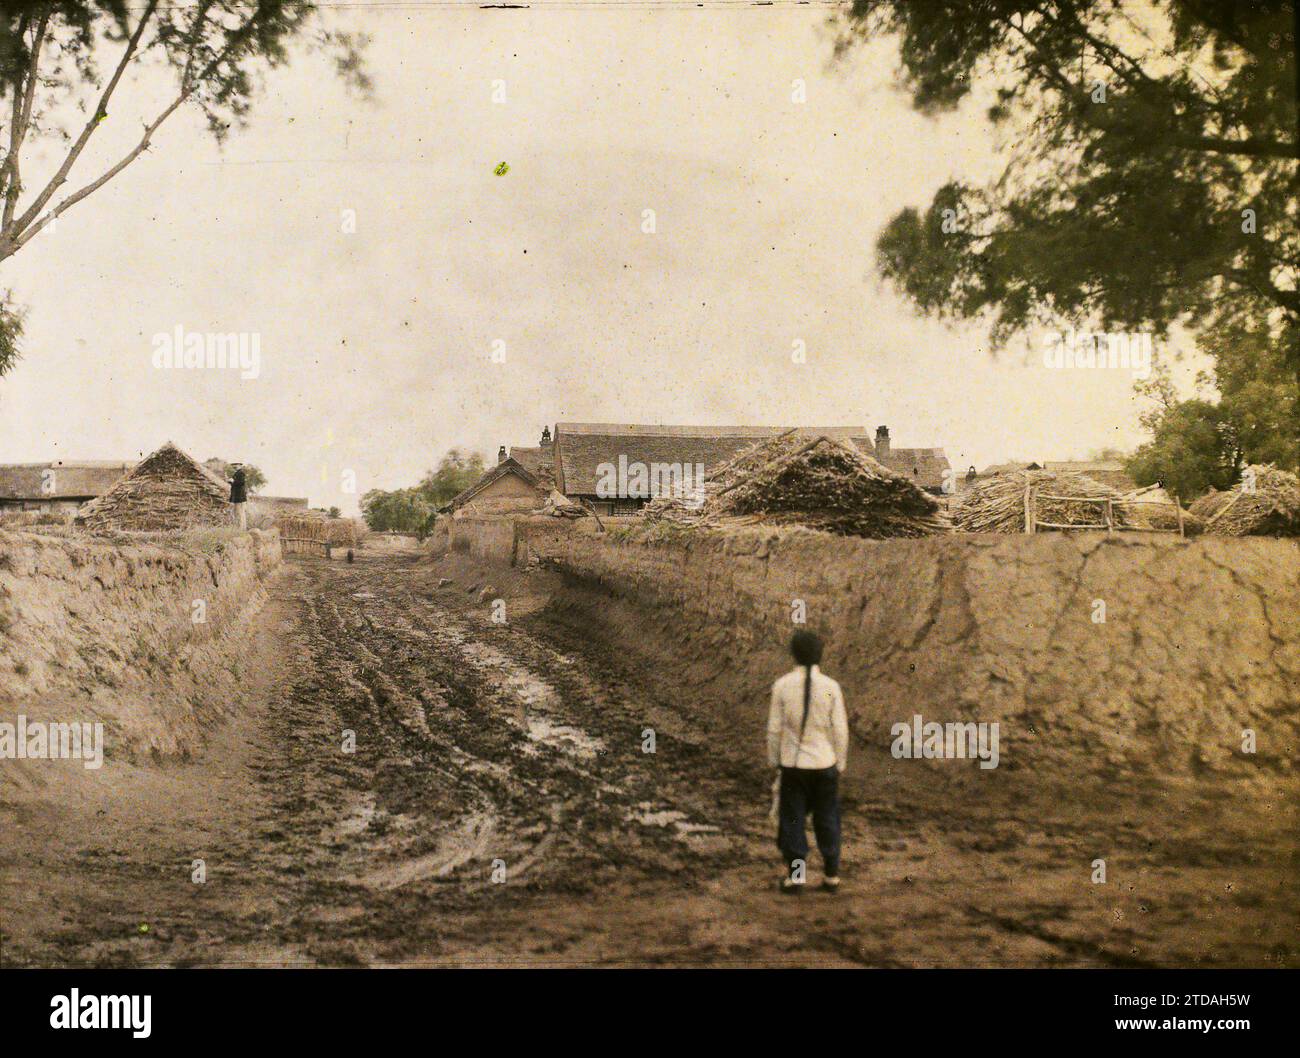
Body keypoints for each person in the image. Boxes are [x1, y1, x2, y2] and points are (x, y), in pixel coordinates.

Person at [767, 629, 848, 895]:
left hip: (794, 766)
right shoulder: (832, 687)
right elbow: (840, 730)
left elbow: (774, 730)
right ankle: (831, 875)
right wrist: (840, 762)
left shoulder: (782, 685)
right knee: (828, 819)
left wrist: (775, 761)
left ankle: (797, 877)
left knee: (793, 821)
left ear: (793, 654)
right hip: (825, 764)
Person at [229, 464, 248, 530]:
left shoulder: (241, 473)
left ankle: (241, 529)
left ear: (240, 465)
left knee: (240, 513)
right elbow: (236, 485)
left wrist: (233, 481)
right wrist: (231, 482)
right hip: (237, 497)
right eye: (233, 465)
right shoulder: (237, 473)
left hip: (240, 498)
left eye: (236, 465)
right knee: (239, 513)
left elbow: (241, 483)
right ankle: (241, 529)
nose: (234, 466)